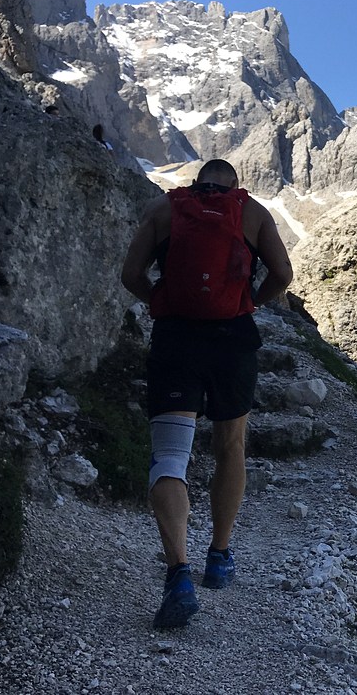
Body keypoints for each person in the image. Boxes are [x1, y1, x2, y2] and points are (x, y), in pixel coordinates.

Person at [120, 158, 293, 628]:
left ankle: (178, 573)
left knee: (170, 457)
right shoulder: (252, 211)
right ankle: (218, 556)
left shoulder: (164, 208)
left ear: (197, 182)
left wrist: (161, 301)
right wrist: (250, 302)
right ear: (235, 185)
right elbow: (283, 273)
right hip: (232, 343)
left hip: (176, 340)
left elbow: (130, 274)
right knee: (230, 446)